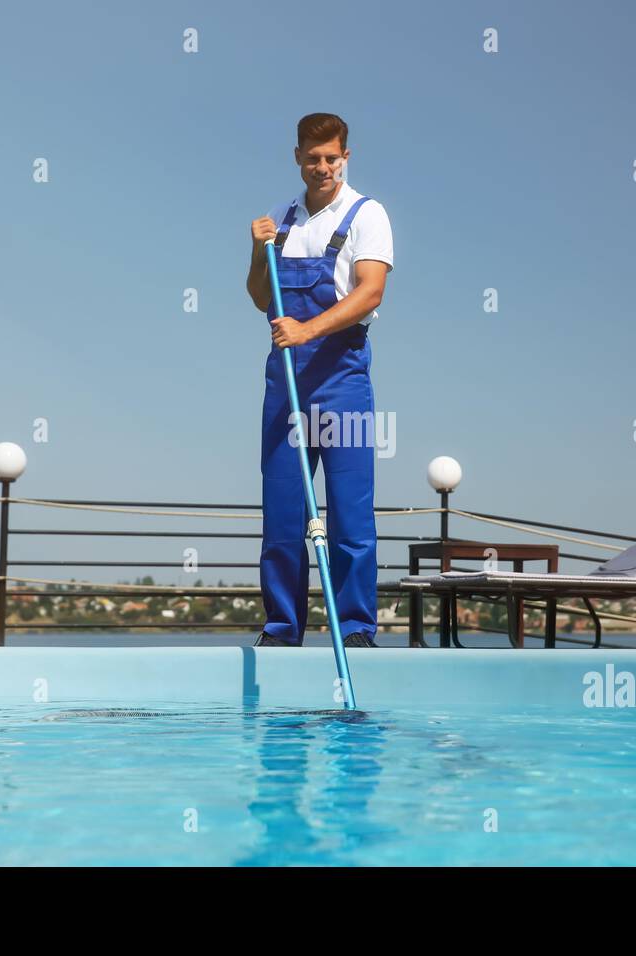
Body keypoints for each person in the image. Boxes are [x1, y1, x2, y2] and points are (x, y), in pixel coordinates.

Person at [245, 112, 394, 648]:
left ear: (345, 157)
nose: (322, 166)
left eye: (331, 157)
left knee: (350, 511)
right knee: (283, 512)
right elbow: (262, 297)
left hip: (342, 378)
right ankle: (282, 630)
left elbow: (370, 292)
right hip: (285, 381)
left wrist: (307, 330)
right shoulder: (280, 218)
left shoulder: (366, 214)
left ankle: (355, 630)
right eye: (312, 158)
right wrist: (256, 249)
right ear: (298, 158)